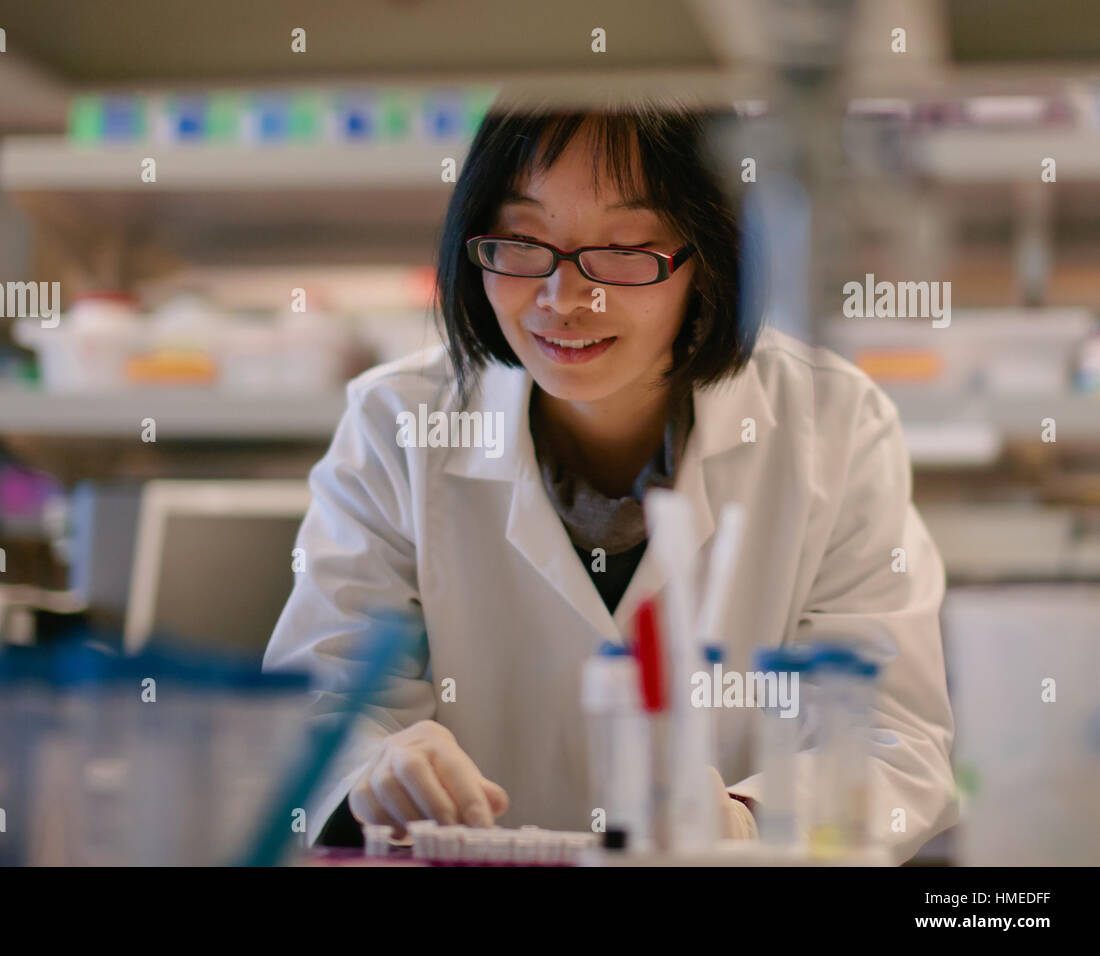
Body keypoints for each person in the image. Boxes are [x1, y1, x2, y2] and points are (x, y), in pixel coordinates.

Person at [263, 91, 958, 863]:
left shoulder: (830, 423)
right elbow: (312, 708)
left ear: (711, 257)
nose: (565, 299)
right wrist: (370, 768)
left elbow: (896, 744)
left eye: (624, 250)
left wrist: (741, 823)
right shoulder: (397, 424)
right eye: (523, 241)